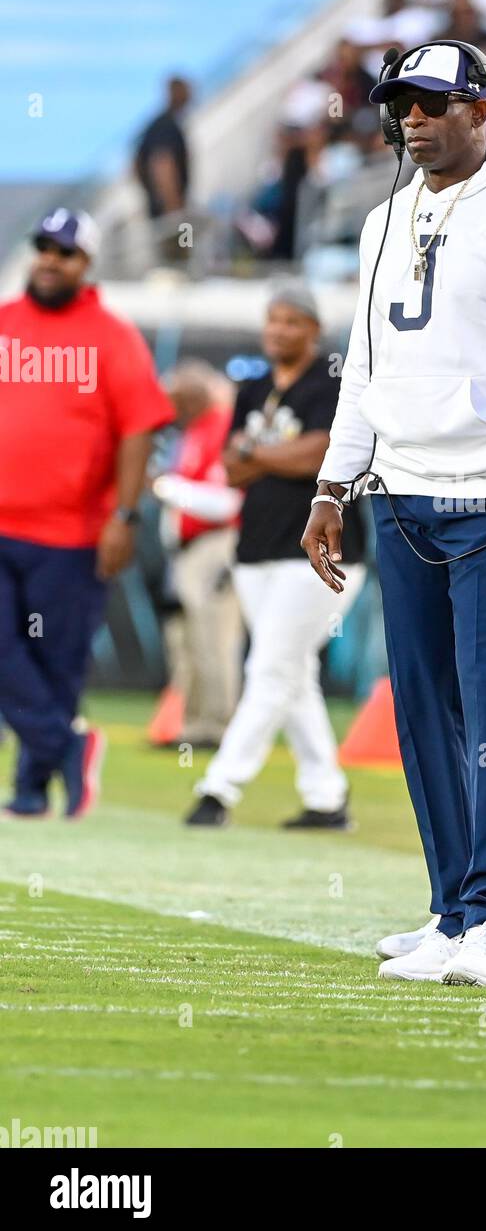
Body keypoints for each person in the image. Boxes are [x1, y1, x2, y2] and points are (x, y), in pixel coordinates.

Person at [300, 40, 486, 989]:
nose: (414, 120)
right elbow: (366, 364)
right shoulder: (384, 217)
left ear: (481, 109)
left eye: (434, 102)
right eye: (402, 105)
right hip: (400, 494)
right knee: (423, 708)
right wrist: (330, 484)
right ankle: (447, 908)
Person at [0, 209, 174, 817]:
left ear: (86, 264)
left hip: (73, 531)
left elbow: (139, 430)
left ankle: (29, 788)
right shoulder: (4, 322)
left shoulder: (110, 333)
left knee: (56, 660)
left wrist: (125, 517)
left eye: (64, 251)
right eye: (43, 246)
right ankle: (67, 748)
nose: (50, 259)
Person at [184, 283, 366, 830]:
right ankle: (327, 798)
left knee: (267, 667)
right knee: (291, 672)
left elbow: (324, 452)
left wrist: (257, 453)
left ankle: (218, 789)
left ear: (314, 330)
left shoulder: (330, 380)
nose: (279, 331)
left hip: (320, 553)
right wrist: (267, 457)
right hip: (257, 547)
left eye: (291, 321)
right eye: (272, 320)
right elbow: (230, 467)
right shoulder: (254, 384)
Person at [157, 360, 241, 749]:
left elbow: (226, 503)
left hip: (217, 545)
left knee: (215, 637)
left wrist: (165, 487)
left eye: (178, 402)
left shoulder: (222, 427)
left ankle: (219, 726)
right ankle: (193, 727)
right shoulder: (195, 431)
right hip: (189, 550)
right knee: (188, 641)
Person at [134, 76, 192, 221]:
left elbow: (136, 166)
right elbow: (162, 166)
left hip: (162, 212)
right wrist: (174, 209)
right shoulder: (166, 126)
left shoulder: (160, 124)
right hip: (170, 214)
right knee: (184, 241)